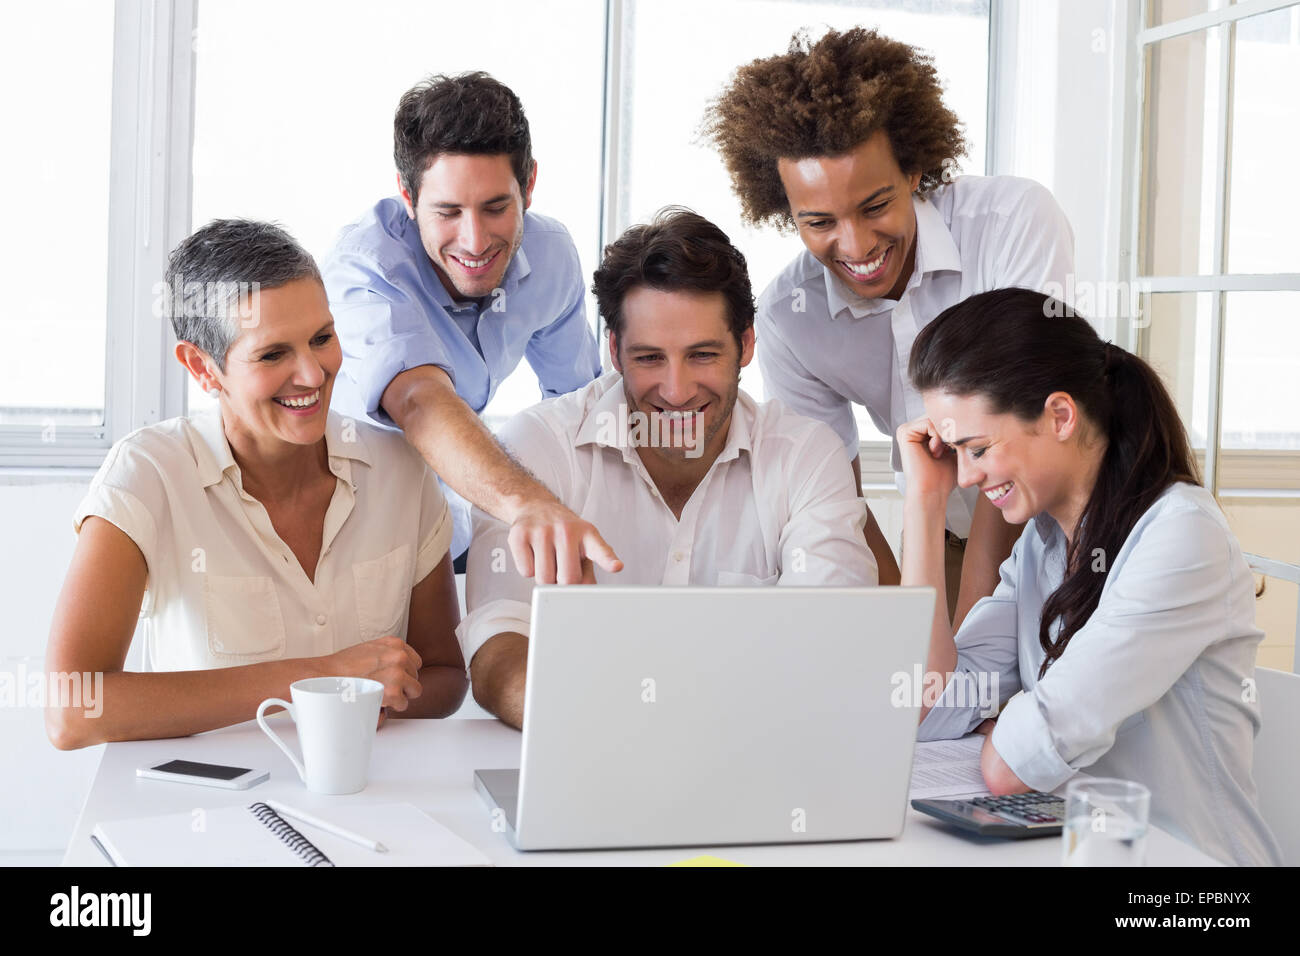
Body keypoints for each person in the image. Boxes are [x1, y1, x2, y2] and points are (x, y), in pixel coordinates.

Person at [45, 220, 467, 750]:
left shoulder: (400, 469)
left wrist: (374, 700)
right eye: (273, 355)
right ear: (202, 368)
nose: (312, 375)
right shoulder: (147, 474)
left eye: (322, 338)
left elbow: (447, 677)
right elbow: (71, 708)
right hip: (207, 813)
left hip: (367, 799)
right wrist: (321, 680)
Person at [704, 27, 1074, 624]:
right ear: (784, 210)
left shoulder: (1012, 223)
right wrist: (905, 630)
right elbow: (833, 498)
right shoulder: (789, 321)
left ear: (914, 171)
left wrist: (962, 637)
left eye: (875, 206)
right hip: (949, 541)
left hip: (1071, 529)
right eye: (820, 220)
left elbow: (1011, 433)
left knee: (1047, 708)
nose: (856, 245)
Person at [900, 287, 1281, 867]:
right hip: (1080, 852)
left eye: (976, 448)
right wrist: (923, 508)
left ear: (1059, 415)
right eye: (954, 451)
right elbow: (927, 707)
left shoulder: (1180, 537)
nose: (966, 476)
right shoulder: (1043, 541)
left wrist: (1006, 725)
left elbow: (1009, 767)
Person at [460, 208, 879, 729]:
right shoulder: (536, 449)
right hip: (589, 746)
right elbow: (498, 650)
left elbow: (834, 640)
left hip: (752, 759)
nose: (677, 392)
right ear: (613, 350)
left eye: (702, 355)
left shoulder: (805, 456)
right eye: (650, 358)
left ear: (746, 345)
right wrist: (610, 722)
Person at [323, 71, 619, 582]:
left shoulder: (550, 253)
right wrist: (529, 504)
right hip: (355, 534)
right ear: (408, 195)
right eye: (448, 211)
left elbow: (577, 407)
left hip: (465, 518)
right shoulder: (364, 268)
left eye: (496, 207)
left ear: (527, 185)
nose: (475, 240)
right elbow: (418, 399)